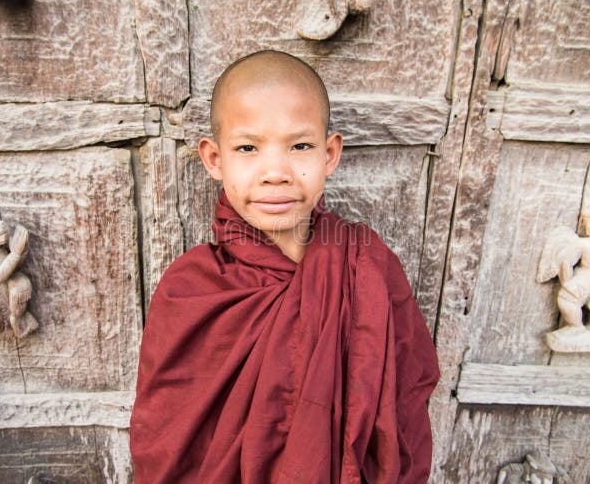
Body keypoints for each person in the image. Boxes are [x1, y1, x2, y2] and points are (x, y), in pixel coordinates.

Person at [130, 50, 440, 483]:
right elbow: (165, 441)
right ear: (214, 159)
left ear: (330, 154)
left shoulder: (365, 267)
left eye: (299, 146)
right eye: (247, 148)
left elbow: (403, 407)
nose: (275, 172)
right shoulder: (189, 289)